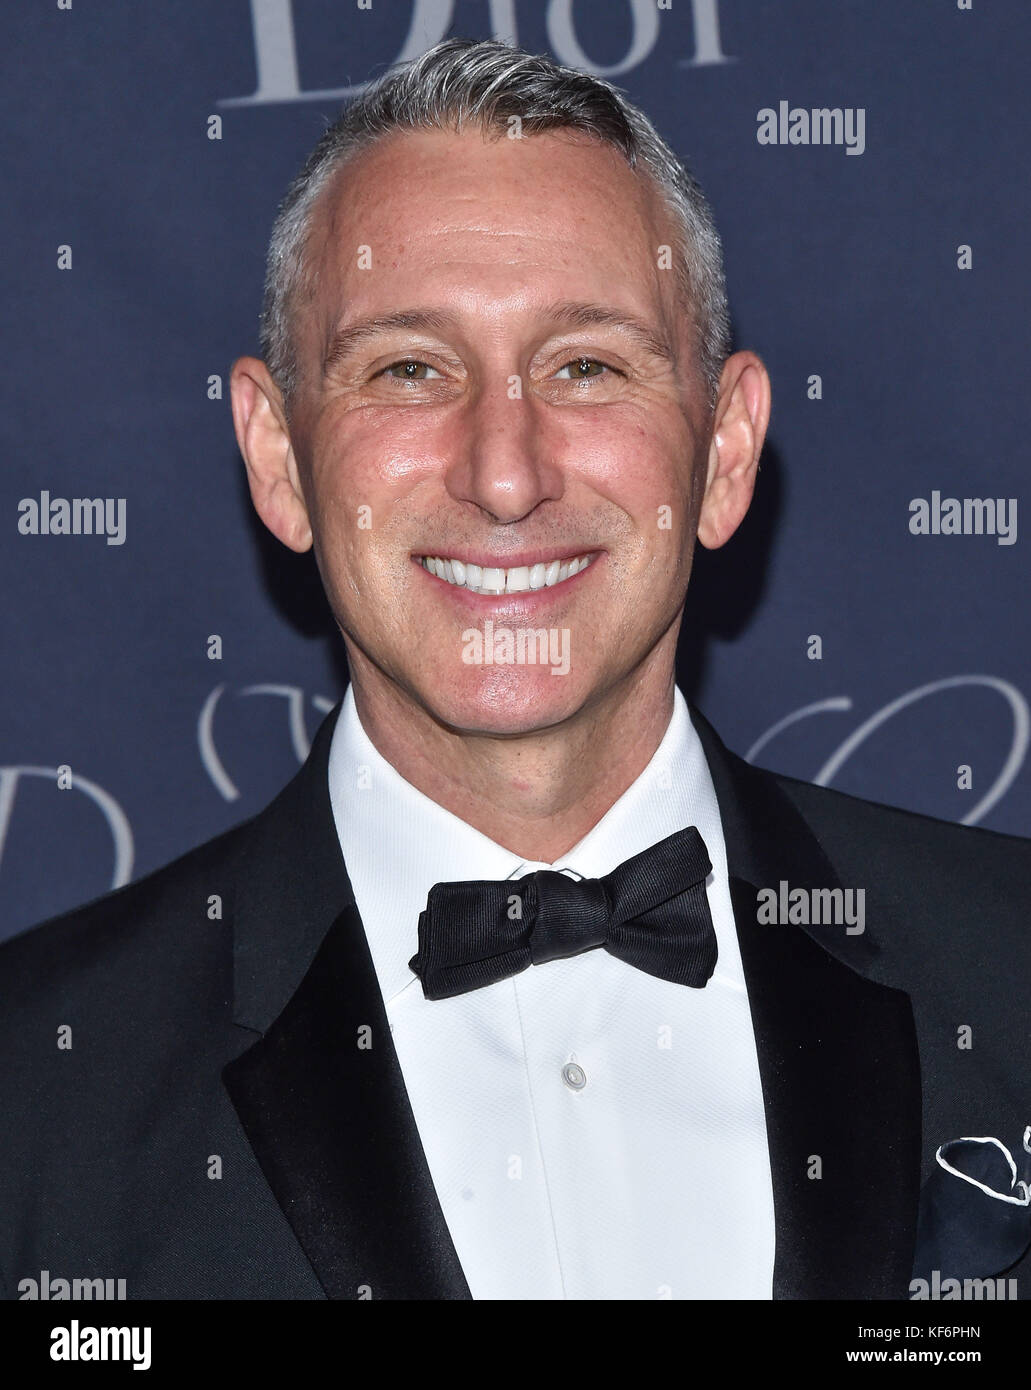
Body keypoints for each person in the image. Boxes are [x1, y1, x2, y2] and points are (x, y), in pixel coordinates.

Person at [2, 37, 1028, 1303]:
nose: (503, 471)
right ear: (277, 459)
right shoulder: (35, 1090)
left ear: (722, 450)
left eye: (584, 364)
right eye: (408, 369)